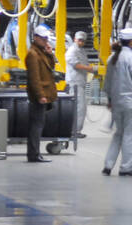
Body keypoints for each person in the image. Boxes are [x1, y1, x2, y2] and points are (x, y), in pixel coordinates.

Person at [103, 27, 132, 177]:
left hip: (116, 102)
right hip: (131, 103)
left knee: (118, 134)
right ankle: (126, 167)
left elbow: (107, 82)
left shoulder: (112, 58)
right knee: (130, 135)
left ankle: (108, 165)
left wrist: (109, 99)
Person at [24, 24, 59, 164]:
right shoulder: (32, 54)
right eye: (43, 39)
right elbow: (34, 78)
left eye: (46, 39)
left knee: (38, 124)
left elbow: (51, 66)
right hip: (39, 96)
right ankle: (33, 154)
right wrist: (40, 95)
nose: (46, 41)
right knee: (36, 125)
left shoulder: (40, 52)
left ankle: (34, 153)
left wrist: (50, 53)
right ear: (36, 38)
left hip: (44, 93)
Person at [66, 30, 93, 138]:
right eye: (79, 40)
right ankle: (75, 131)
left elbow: (84, 64)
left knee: (79, 107)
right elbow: (76, 65)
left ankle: (75, 130)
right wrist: (90, 68)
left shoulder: (81, 51)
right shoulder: (72, 50)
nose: (81, 42)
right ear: (75, 39)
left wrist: (91, 70)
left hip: (80, 82)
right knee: (80, 107)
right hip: (74, 82)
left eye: (83, 41)